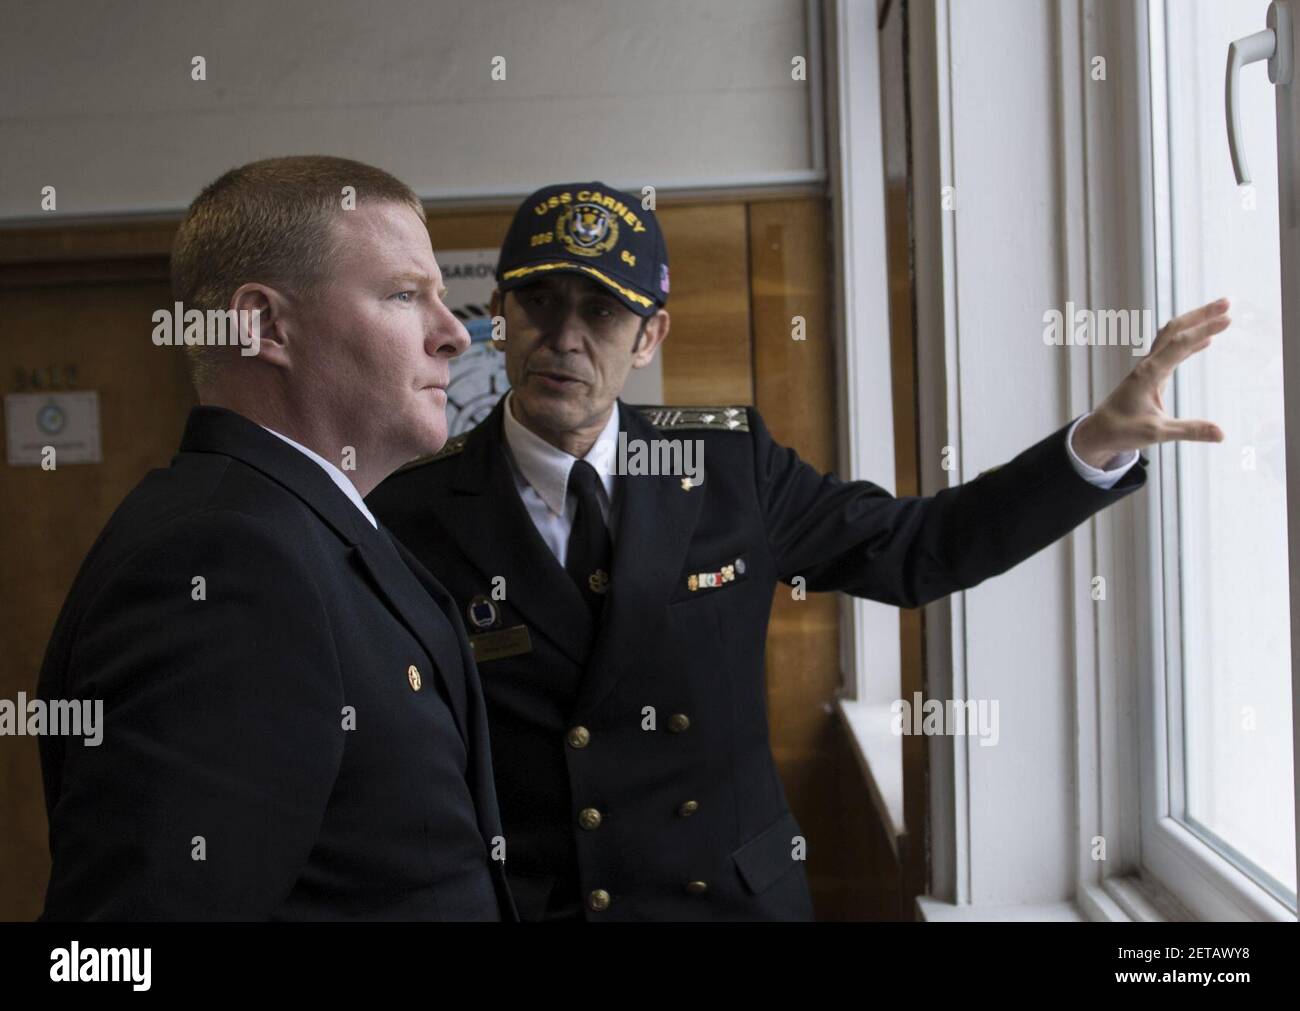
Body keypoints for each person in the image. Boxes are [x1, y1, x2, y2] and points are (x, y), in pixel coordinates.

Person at [367, 180, 1228, 921]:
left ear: (650, 336)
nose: (565, 336)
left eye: (600, 309)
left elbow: (916, 550)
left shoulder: (728, 464)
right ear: (499, 316)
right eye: (540, 301)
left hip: (731, 906)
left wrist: (1093, 447)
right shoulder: (411, 508)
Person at [37, 155, 514, 921]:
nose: (457, 334)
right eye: (403, 295)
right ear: (263, 325)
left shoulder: (310, 529)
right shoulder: (223, 560)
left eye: (444, 299)